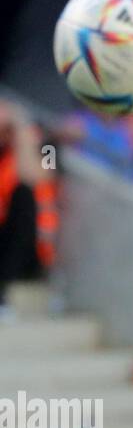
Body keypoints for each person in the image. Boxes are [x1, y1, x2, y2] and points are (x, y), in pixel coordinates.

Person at [0, 100, 47, 320]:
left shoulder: (47, 147)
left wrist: (21, 136)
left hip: (36, 243)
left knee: (23, 196)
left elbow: (40, 176)